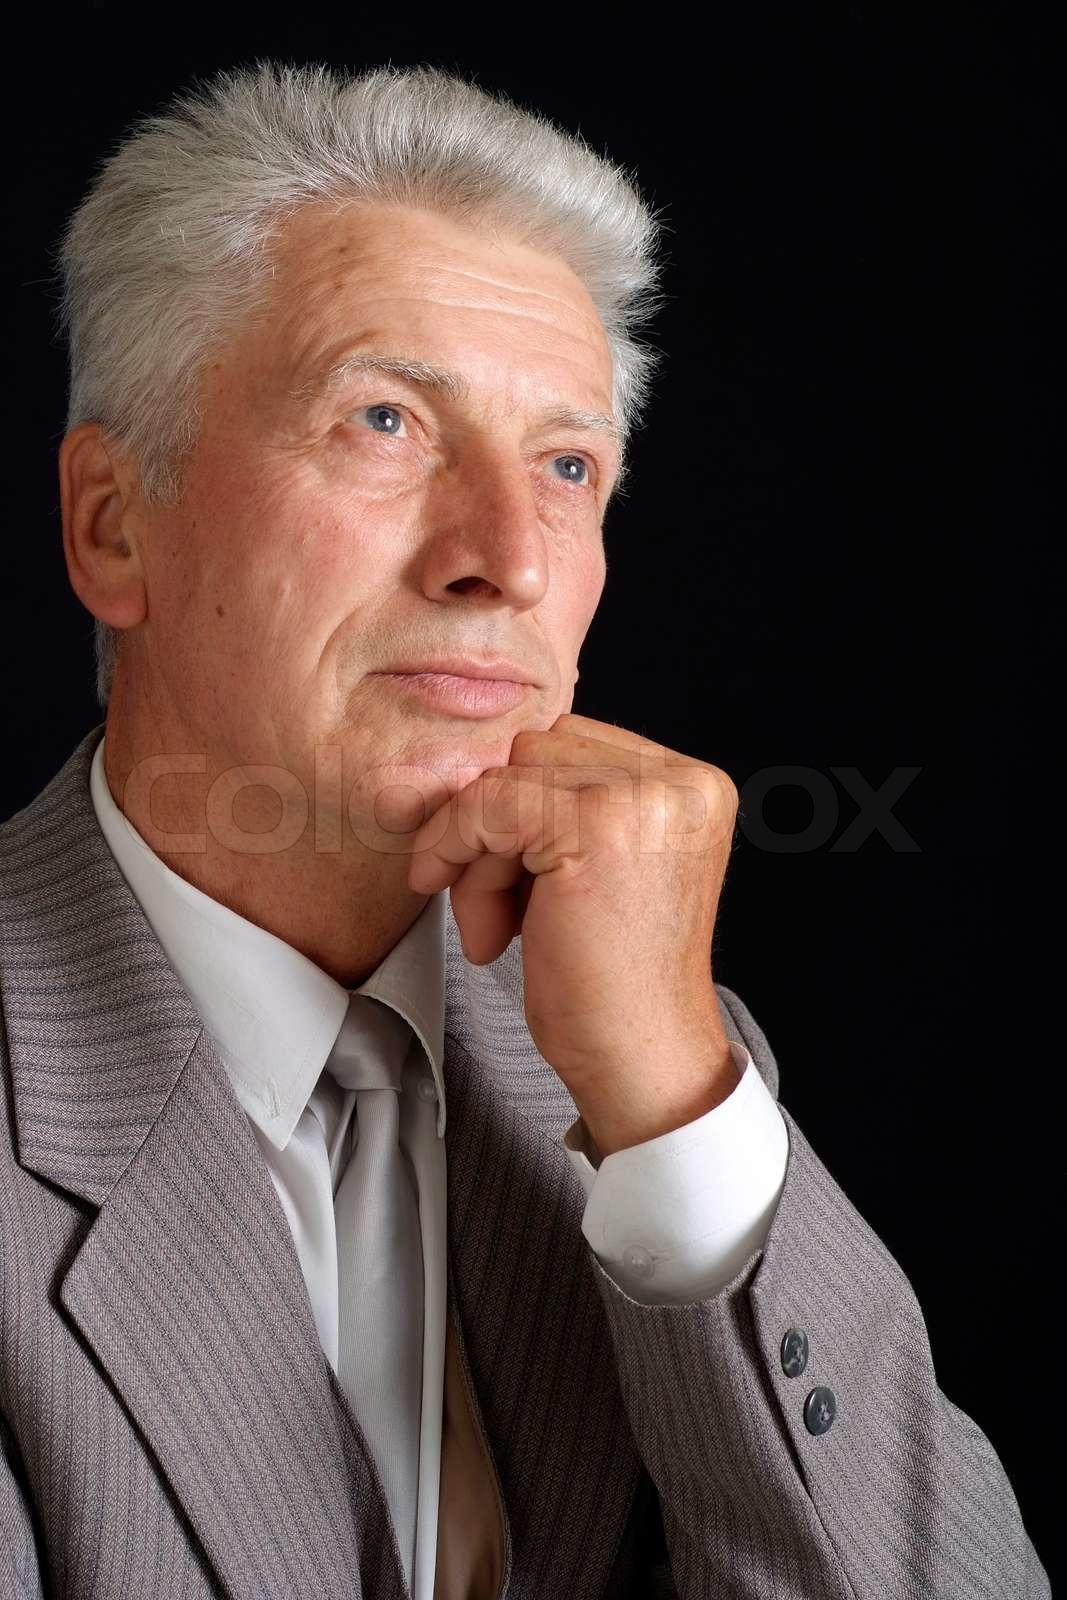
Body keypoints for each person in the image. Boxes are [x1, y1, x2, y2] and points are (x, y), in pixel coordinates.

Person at [0, 60, 1048, 1600]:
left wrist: (681, 1111)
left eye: (568, 467)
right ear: (115, 523)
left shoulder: (644, 1052)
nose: (509, 556)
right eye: (383, 420)